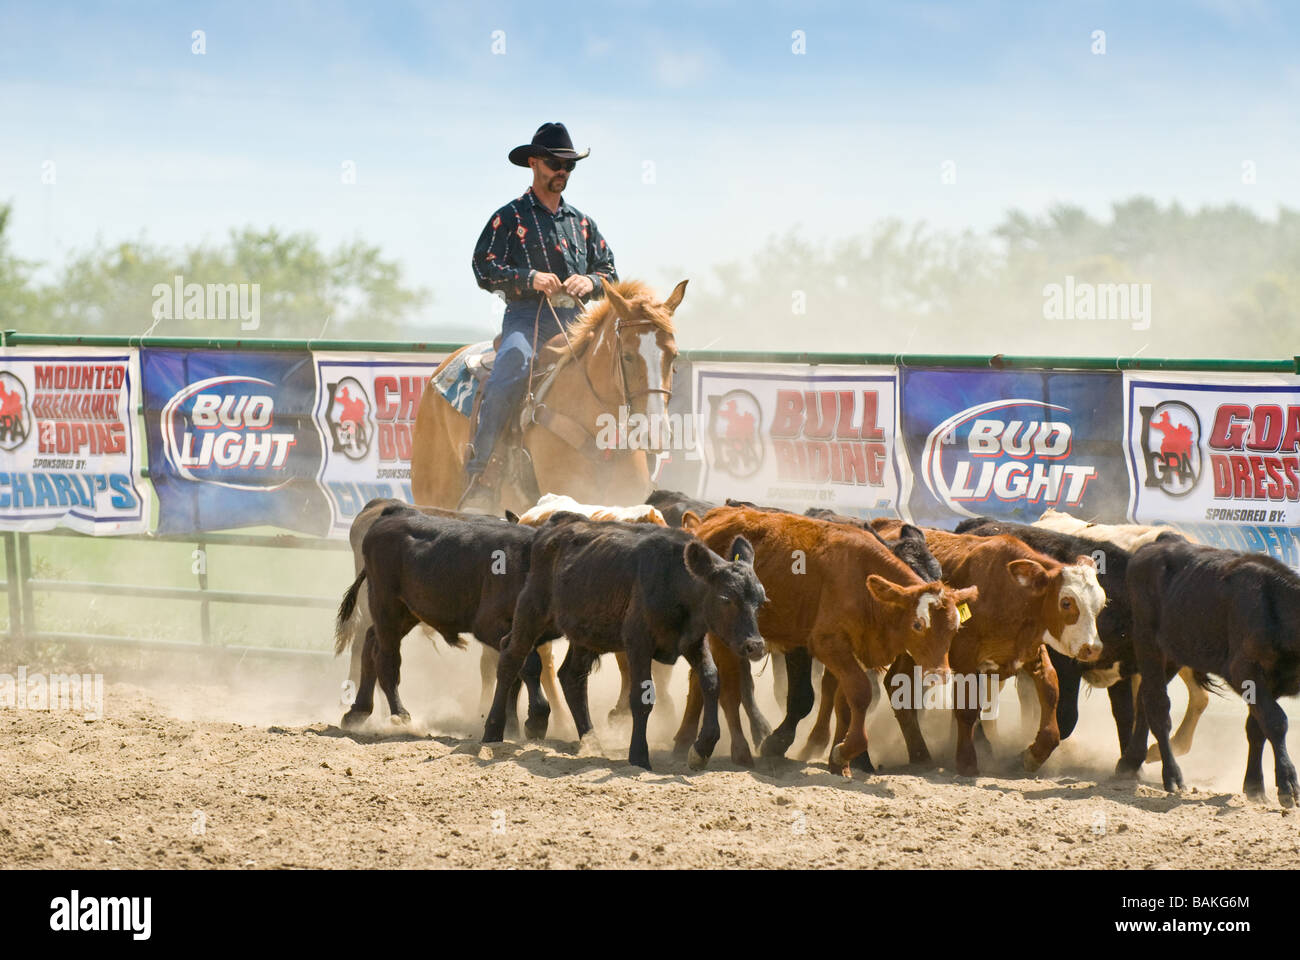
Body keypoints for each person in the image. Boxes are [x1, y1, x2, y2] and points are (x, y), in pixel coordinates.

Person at [461, 122, 618, 514]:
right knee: (513, 363)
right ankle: (481, 474)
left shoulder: (582, 223)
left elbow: (610, 271)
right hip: (527, 317)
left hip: (578, 320)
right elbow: (484, 267)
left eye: (569, 166)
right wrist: (529, 279)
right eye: (554, 163)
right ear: (534, 163)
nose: (562, 171)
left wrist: (590, 280)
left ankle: (626, 468)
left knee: (618, 368)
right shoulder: (510, 217)